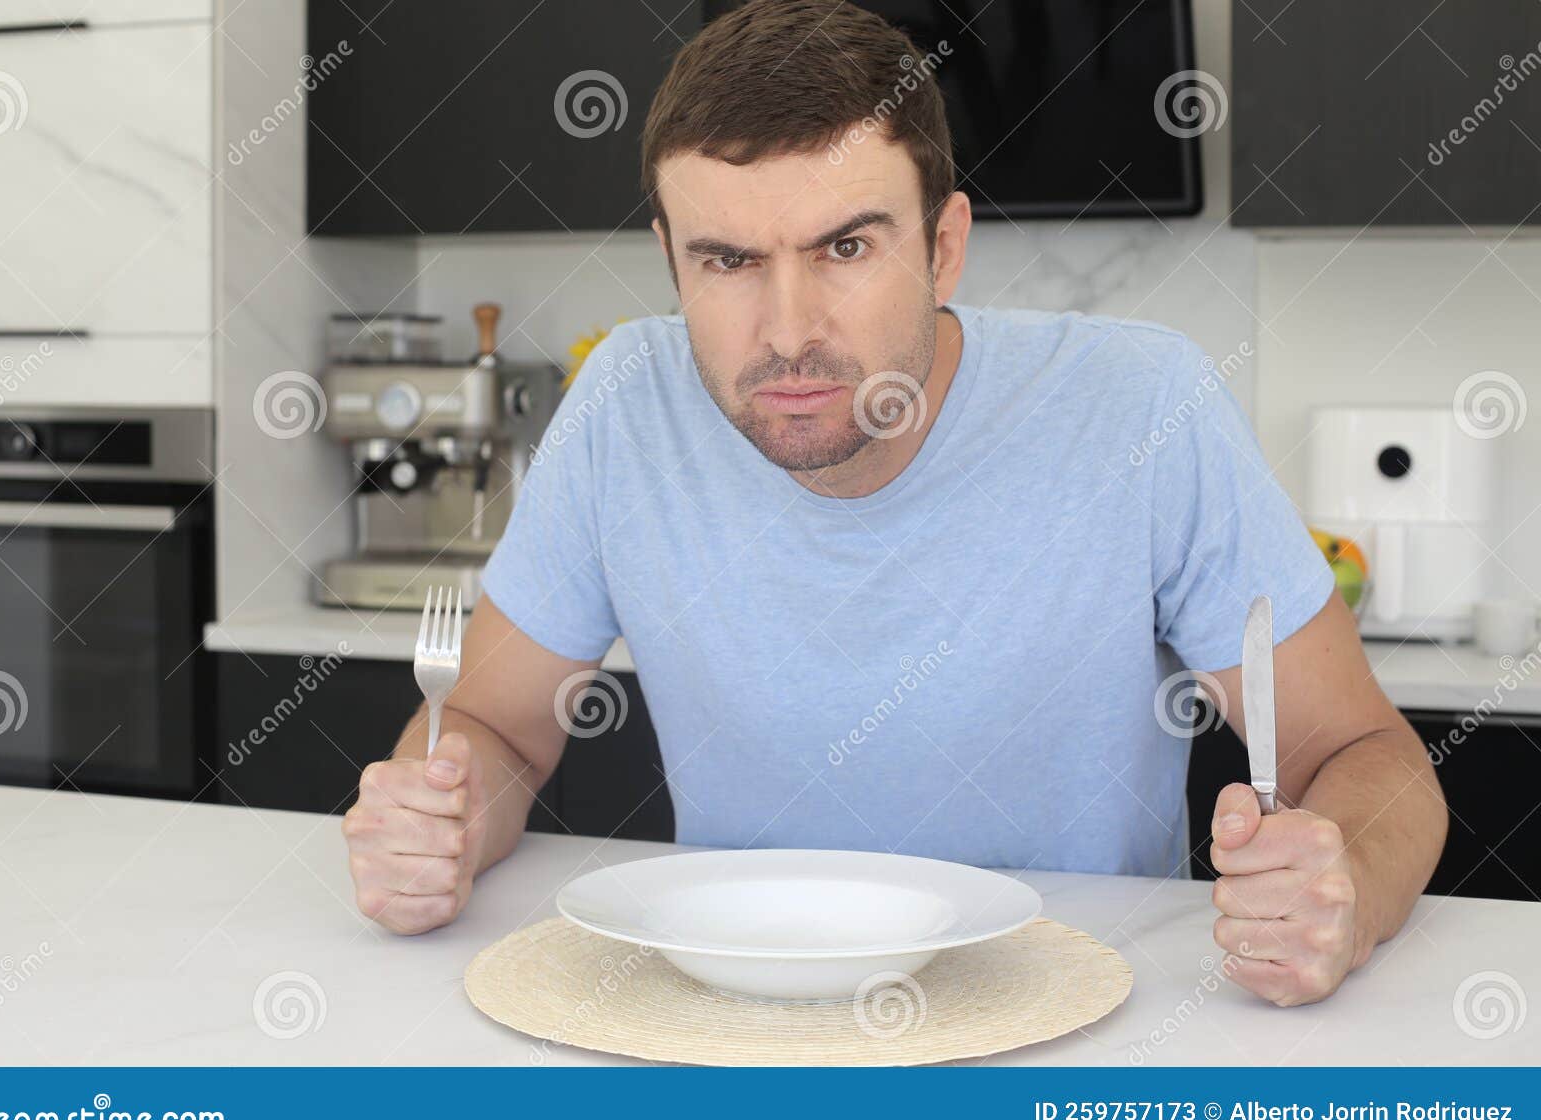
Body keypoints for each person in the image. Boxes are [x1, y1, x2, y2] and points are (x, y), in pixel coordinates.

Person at [343, 0, 1447, 1007]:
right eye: (727, 259)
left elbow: (1363, 753)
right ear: (671, 262)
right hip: (737, 1022)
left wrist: (1337, 877)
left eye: (846, 246)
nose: (786, 329)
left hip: (1080, 1021)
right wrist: (434, 815)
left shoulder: (1140, 404)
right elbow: (489, 727)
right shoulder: (622, 403)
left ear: (943, 246)